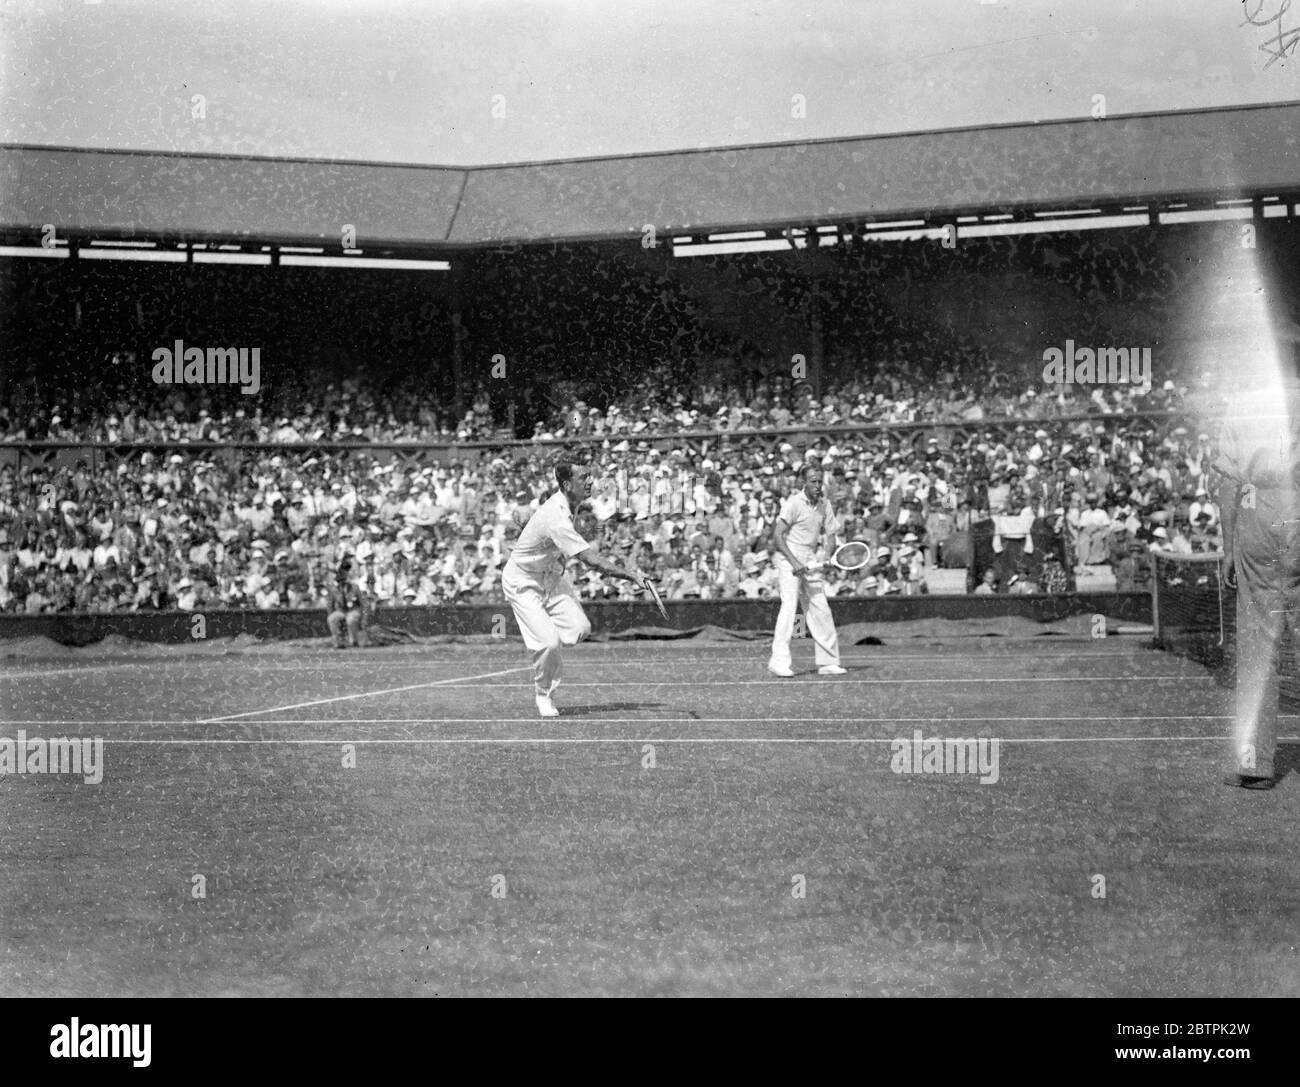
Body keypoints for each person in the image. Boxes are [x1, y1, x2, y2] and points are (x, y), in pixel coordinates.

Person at [502, 460, 645, 717]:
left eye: (590, 476)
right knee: (548, 642)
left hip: (552, 579)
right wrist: (629, 574)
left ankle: (544, 640)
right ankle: (543, 694)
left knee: (580, 629)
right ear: (567, 485)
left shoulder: (572, 506)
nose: (590, 481)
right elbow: (590, 559)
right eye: (584, 478)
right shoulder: (556, 516)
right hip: (522, 582)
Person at [1215, 369, 1300, 790]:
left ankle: (1255, 764)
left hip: (1255, 512)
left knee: (1258, 643)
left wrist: (1230, 545)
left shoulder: (1241, 403)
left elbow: (1228, 483)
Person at [768, 464, 846, 677]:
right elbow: (778, 536)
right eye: (813, 481)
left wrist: (828, 556)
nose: (817, 485)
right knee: (790, 606)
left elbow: (831, 535)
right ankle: (779, 662)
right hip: (788, 557)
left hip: (811, 557)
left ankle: (828, 662)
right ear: (804, 482)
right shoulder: (793, 503)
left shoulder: (825, 505)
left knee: (821, 608)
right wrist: (794, 562)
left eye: (820, 481)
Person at [326, 556, 368, 648]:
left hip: (353, 610)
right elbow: (330, 605)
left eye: (343, 580)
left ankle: (353, 641)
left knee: (351, 619)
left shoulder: (354, 587)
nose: (341, 582)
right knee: (332, 619)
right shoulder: (334, 590)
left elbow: (363, 604)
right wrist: (330, 613)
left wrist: (364, 618)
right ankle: (337, 642)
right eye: (339, 580)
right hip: (341, 610)